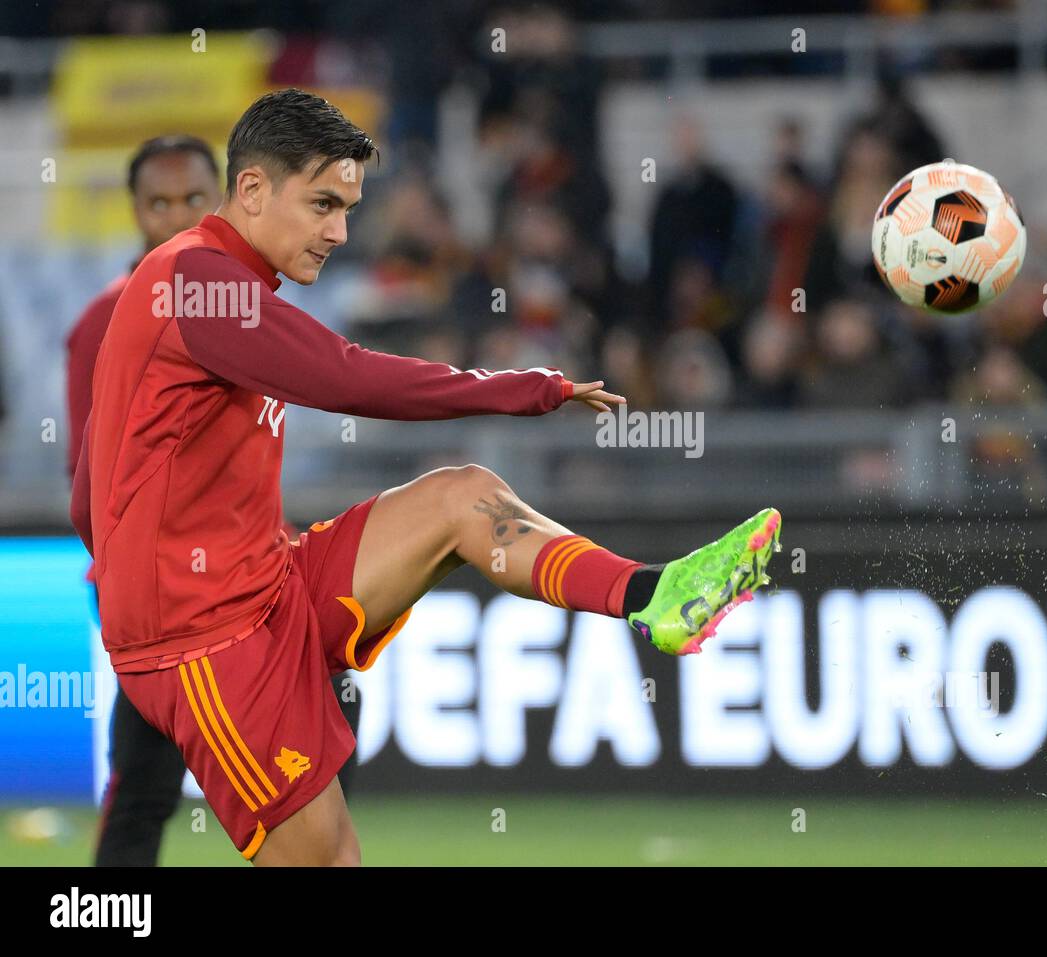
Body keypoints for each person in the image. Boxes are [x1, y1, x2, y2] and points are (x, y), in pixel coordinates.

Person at [70, 89, 781, 866]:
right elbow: (344, 377)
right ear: (251, 191)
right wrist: (517, 387)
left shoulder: (217, 286)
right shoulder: (196, 282)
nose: (340, 232)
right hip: (202, 639)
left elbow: (87, 498)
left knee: (463, 497)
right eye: (322, 205)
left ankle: (656, 595)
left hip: (263, 587)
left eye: (347, 208)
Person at [67, 134, 364, 866]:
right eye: (157, 202)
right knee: (143, 784)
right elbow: (92, 488)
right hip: (165, 600)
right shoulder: (106, 322)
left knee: (336, 720)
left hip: (252, 582)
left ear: (230, 198)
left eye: (192, 199)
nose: (174, 217)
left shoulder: (242, 301)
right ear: (134, 211)